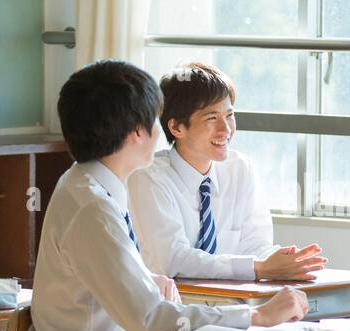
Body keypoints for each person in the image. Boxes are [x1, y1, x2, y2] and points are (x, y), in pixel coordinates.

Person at [25, 59, 307, 331]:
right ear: (135, 131)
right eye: (154, 121)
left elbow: (119, 287)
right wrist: (256, 316)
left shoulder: (91, 184)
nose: (160, 133)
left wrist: (144, 278)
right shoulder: (93, 206)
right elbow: (149, 320)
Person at [128, 61, 325, 283]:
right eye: (211, 118)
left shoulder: (241, 168)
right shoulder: (147, 177)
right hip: (168, 306)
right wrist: (258, 268)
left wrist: (287, 262)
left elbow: (255, 246)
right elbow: (172, 260)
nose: (226, 129)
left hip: (230, 301)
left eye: (229, 115)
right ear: (176, 128)